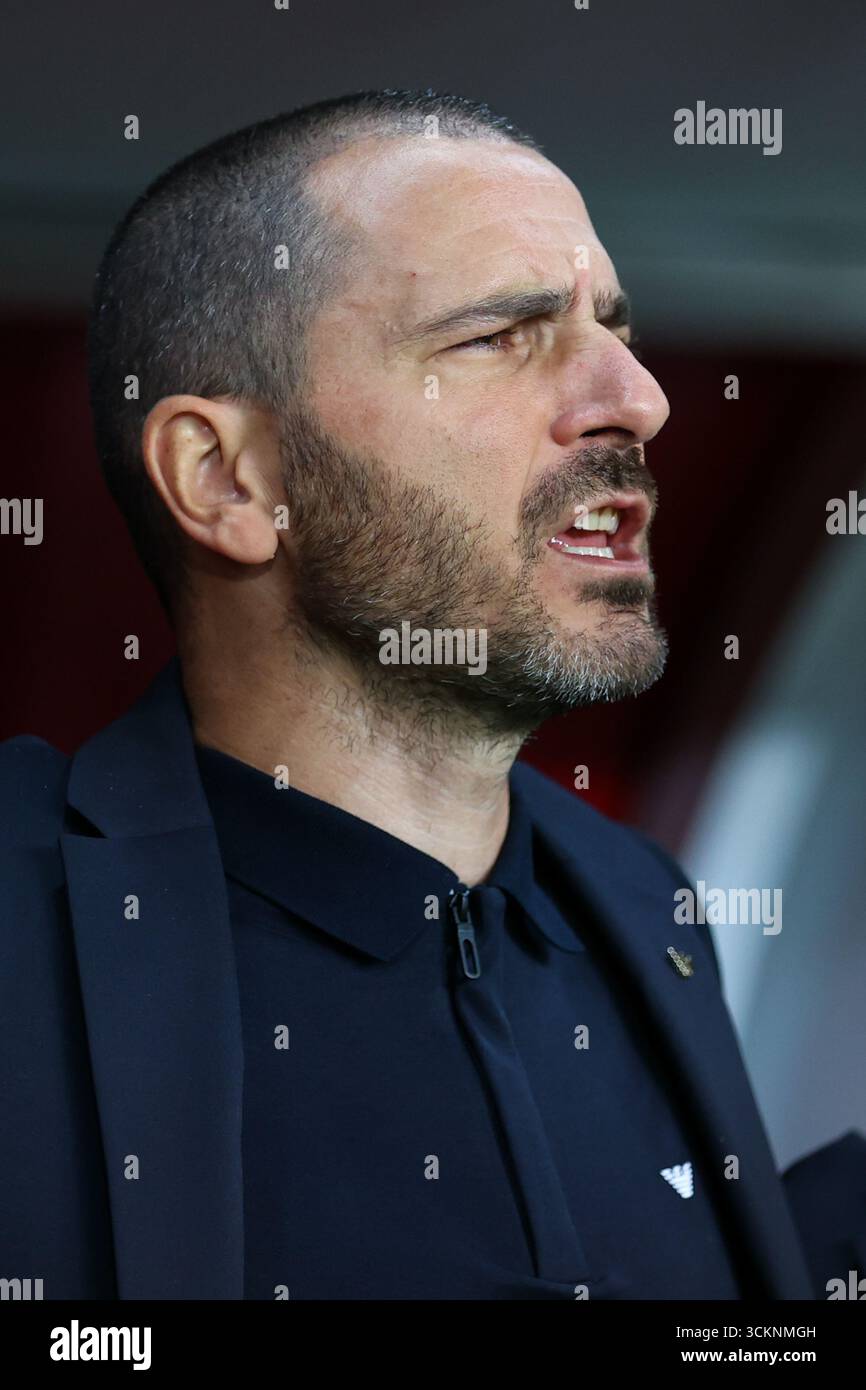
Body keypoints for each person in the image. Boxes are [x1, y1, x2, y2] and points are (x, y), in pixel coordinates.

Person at [1, 89, 860, 1301]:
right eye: (499, 335)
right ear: (226, 480)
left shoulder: (641, 908)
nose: (639, 397)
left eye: (612, 325)